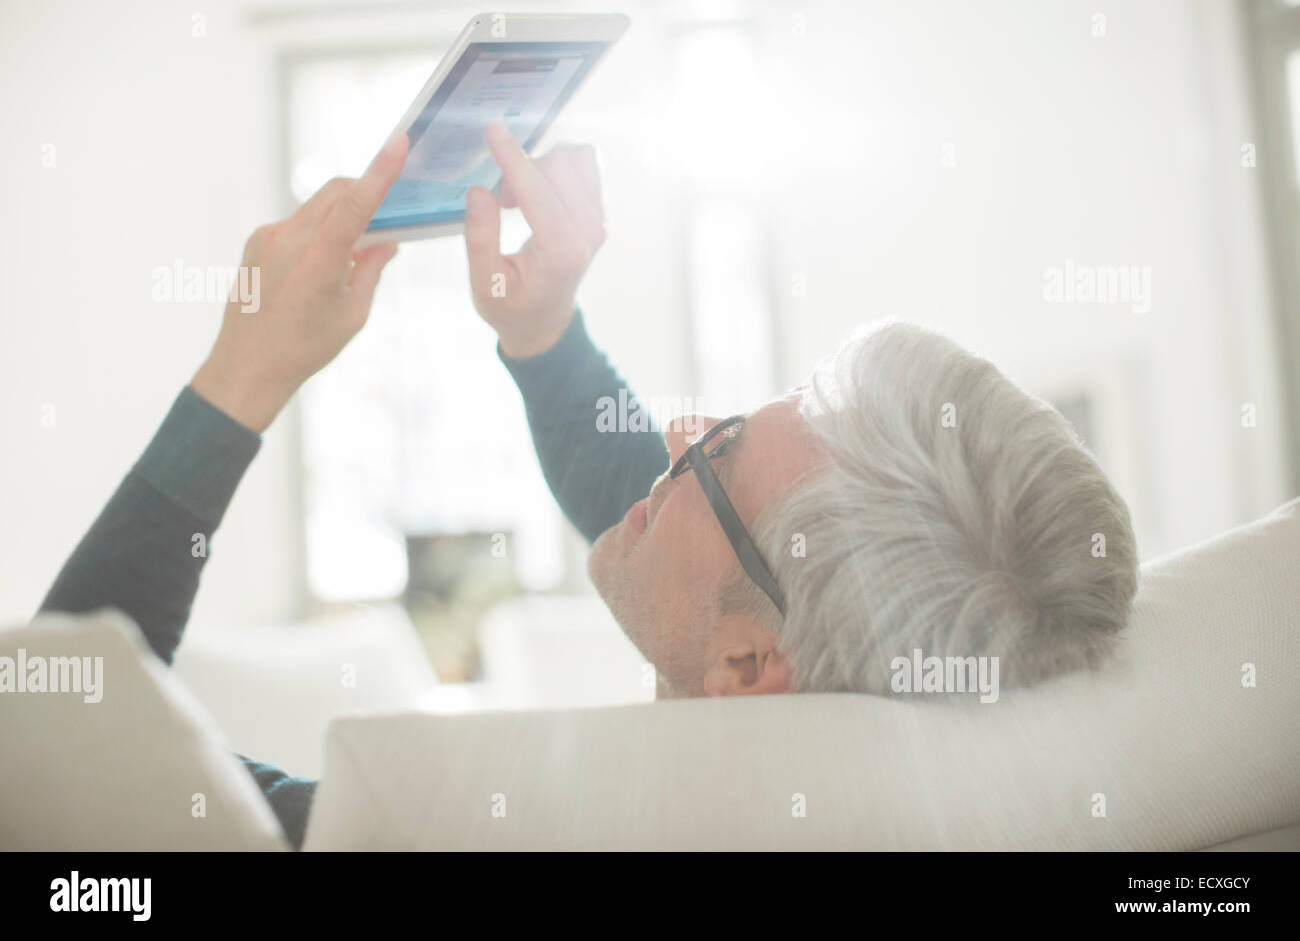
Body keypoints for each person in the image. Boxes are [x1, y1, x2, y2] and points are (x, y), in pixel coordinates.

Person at [38, 122, 1138, 848]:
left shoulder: (462, 827)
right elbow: (677, 533)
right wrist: (542, 331)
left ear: (750, 666)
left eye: (721, 443)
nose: (681, 429)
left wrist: (246, 372)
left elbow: (52, 746)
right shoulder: (832, 727)